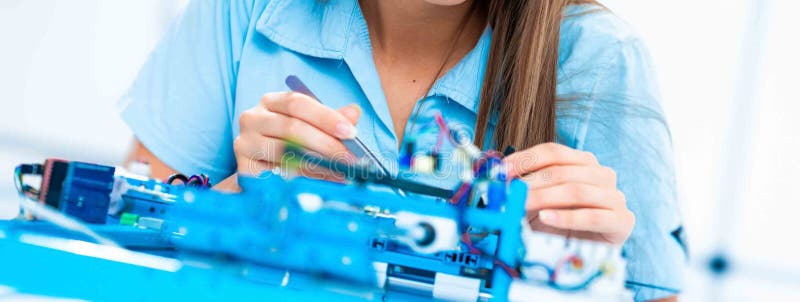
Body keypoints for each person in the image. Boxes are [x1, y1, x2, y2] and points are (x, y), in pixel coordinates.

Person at [120, 0, 685, 300]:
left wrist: (587, 280)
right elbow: (119, 245)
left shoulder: (601, 58)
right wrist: (229, 202)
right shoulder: (243, 9)